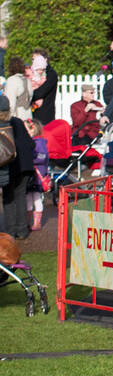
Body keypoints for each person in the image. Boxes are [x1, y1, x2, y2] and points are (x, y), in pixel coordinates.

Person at [0, 94, 33, 239]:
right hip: (25, 164)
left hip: (9, 164)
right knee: (20, 197)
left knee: (9, 198)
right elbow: (31, 144)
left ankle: (10, 232)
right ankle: (22, 230)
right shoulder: (17, 122)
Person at [28, 51, 57, 127]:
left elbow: (41, 92)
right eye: (32, 59)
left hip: (44, 114)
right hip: (33, 111)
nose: (33, 61)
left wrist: (29, 95)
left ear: (45, 60)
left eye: (36, 59)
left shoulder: (51, 74)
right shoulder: (32, 73)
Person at [4, 55, 31, 120]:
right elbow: (30, 97)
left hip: (17, 118)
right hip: (28, 116)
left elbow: (10, 102)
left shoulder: (12, 80)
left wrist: (7, 119)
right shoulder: (27, 80)